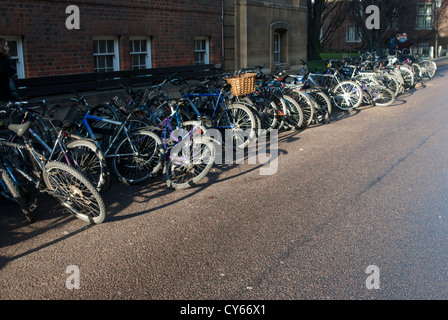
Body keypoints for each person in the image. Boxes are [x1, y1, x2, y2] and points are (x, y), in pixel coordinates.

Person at [0, 38, 16, 102]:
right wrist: (12, 70)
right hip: (3, 91)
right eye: (6, 46)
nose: (8, 48)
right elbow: (4, 72)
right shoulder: (3, 59)